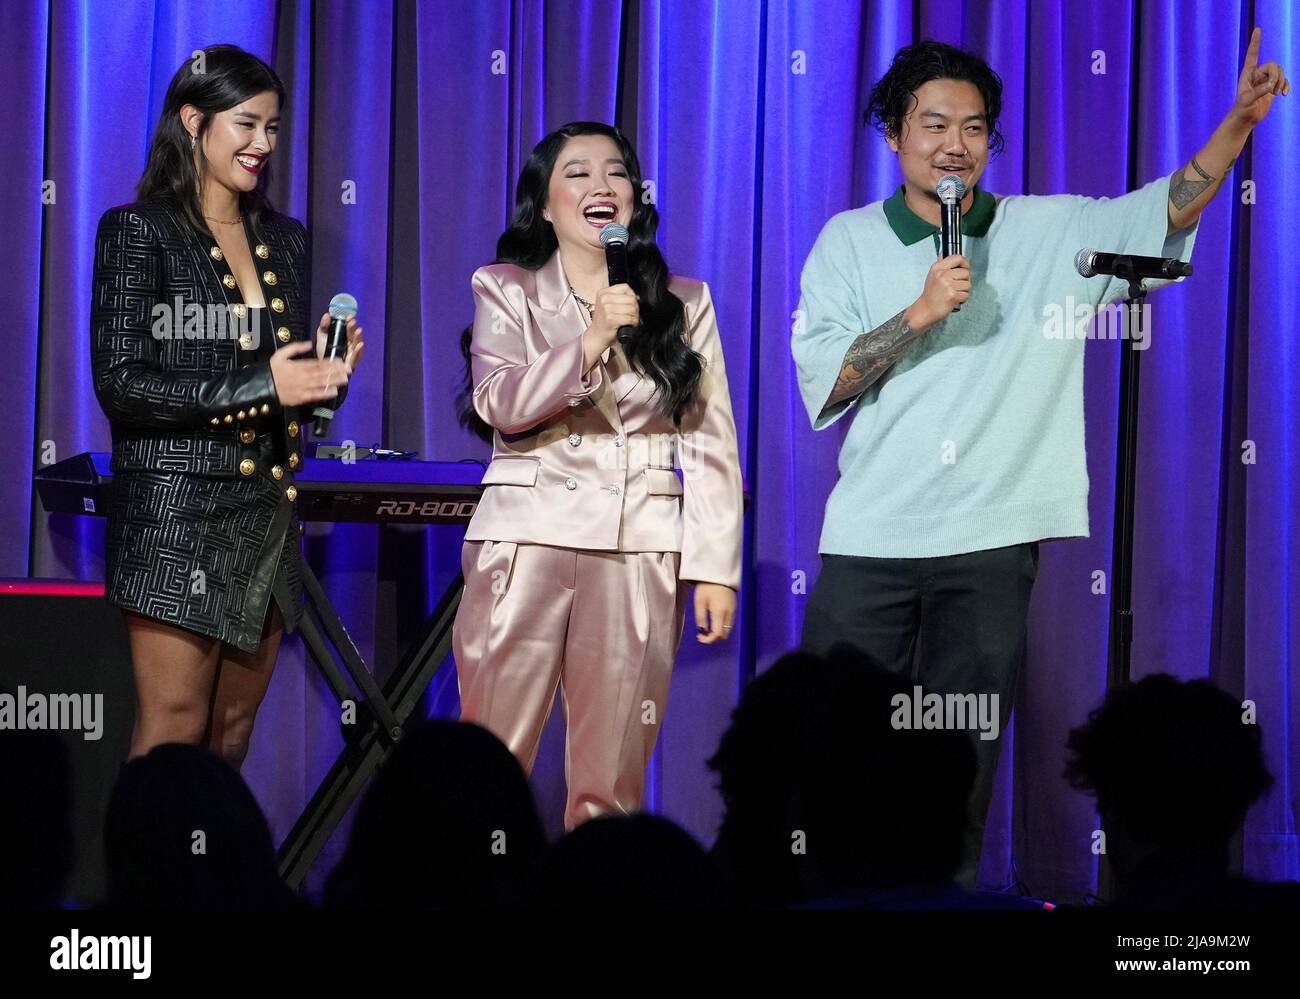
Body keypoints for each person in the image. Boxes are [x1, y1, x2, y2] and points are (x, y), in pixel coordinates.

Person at [791, 34, 1287, 887]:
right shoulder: (847, 240)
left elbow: (1165, 208)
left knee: (958, 753)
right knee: (834, 744)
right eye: (934, 124)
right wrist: (918, 313)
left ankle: (940, 900)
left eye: (974, 128)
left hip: (990, 541)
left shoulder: (1046, 228)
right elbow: (827, 378)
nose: (955, 144)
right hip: (871, 537)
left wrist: (1238, 126)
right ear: (894, 136)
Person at [453, 121, 744, 831]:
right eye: (577, 173)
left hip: (639, 543)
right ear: (546, 204)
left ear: (635, 200)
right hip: (525, 539)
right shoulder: (506, 288)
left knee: (612, 776)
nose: (600, 186)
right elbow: (501, 403)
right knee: (487, 759)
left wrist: (714, 567)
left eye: (614, 173)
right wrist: (588, 341)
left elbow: (709, 438)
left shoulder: (684, 300)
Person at [90, 44, 364, 768]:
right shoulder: (138, 230)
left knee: (231, 736)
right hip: (175, 511)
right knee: (174, 727)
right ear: (192, 119)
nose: (262, 144)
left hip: (264, 510)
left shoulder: (286, 240)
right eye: (246, 124)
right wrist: (266, 385)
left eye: (272, 127)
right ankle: (147, 884)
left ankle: (211, 879)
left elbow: (287, 397)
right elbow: (123, 384)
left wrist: (325, 381)